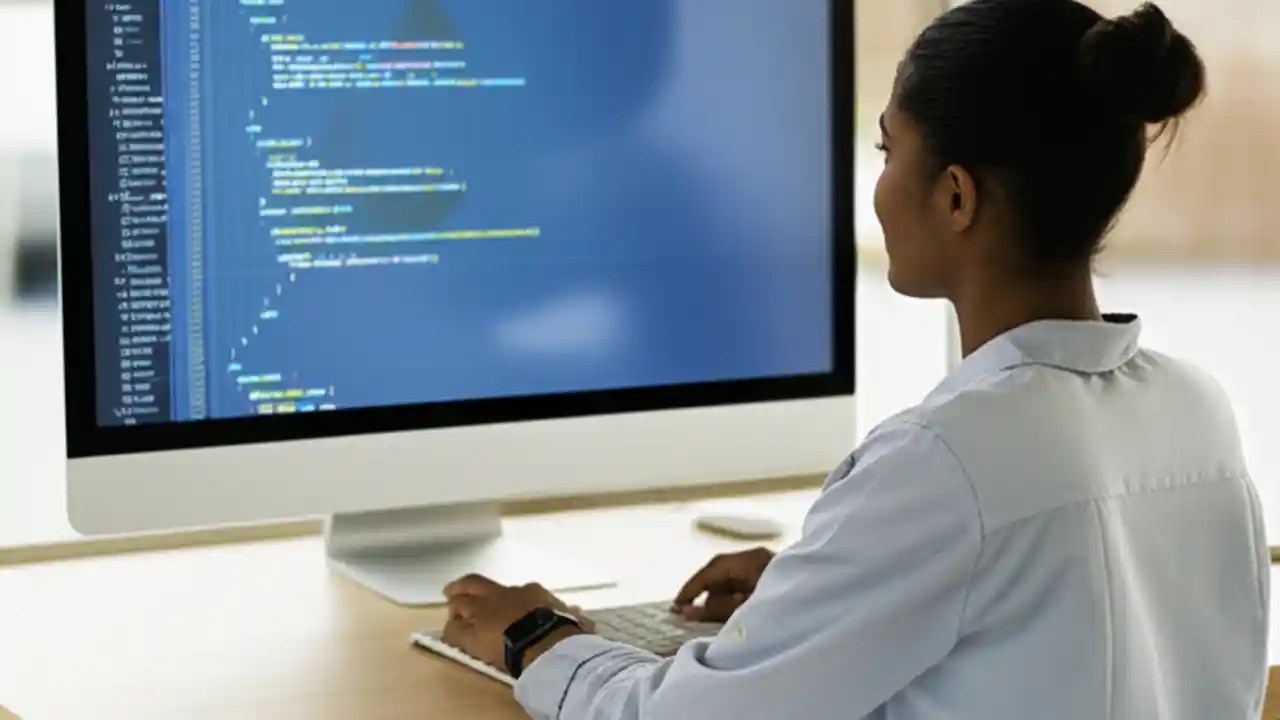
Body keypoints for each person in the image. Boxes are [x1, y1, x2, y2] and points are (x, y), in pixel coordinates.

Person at [439, 1, 1270, 717]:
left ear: (955, 195)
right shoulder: (1197, 409)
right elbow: (1057, 638)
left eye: (886, 151)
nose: (874, 186)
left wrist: (537, 636)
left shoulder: (947, 462)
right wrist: (822, 598)